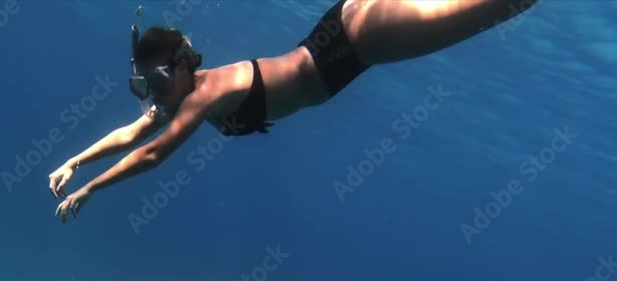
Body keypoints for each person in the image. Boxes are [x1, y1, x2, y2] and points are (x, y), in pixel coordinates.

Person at [50, 0, 538, 222]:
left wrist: (91, 189)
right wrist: (75, 161)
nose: (151, 97)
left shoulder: (201, 95)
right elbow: (131, 134)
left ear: (180, 67)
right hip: (346, 28)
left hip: (357, 43)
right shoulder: (180, 95)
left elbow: (153, 154)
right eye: (142, 86)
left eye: (154, 83)